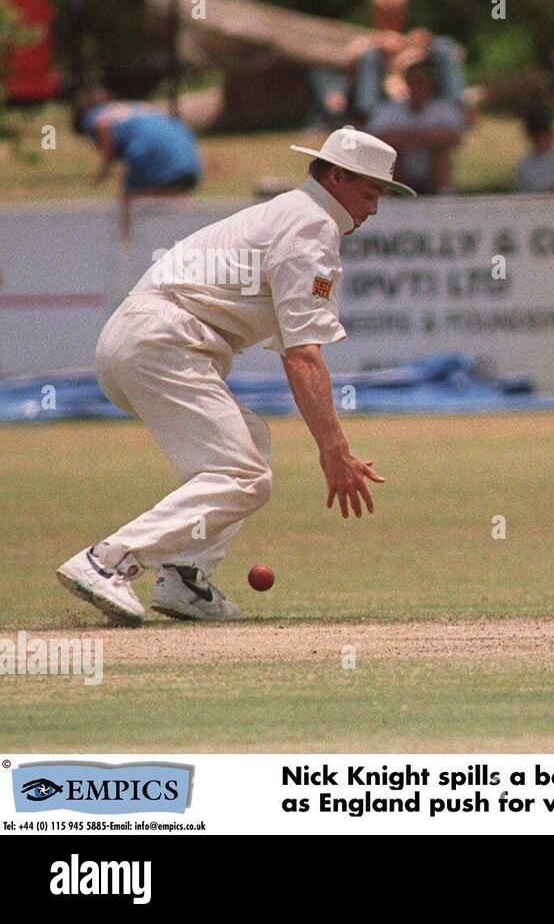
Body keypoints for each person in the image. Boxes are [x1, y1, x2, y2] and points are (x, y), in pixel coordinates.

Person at [55, 129, 414, 627]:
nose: (374, 209)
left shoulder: (290, 213)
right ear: (338, 177)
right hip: (163, 341)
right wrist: (333, 448)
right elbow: (302, 354)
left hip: (139, 341)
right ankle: (109, 560)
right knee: (244, 477)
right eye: (371, 193)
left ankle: (185, 577)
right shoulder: (311, 227)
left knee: (247, 441)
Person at [312, 0, 467, 126]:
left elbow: (458, 54)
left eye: (395, 13)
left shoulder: (414, 40)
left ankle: (454, 109)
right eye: (384, 14)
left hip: (411, 95)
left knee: (443, 45)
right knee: (369, 56)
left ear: (404, 14)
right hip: (374, 100)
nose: (390, 19)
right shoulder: (365, 42)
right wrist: (379, 45)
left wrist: (422, 47)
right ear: (373, 14)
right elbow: (341, 63)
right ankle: (370, 116)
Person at [73, 87, 202, 232]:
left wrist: (102, 173)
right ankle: (187, 221)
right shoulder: (130, 108)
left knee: (129, 199)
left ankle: (125, 245)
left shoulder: (94, 115)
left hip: (153, 150)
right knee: (172, 192)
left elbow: (101, 126)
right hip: (189, 156)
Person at [367, 60, 467, 195]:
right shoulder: (390, 109)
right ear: (407, 83)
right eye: (415, 81)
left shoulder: (445, 108)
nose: (419, 85)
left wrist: (408, 137)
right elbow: (375, 138)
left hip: (431, 171)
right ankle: (396, 193)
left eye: (423, 81)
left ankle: (443, 193)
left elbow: (454, 137)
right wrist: (425, 136)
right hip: (402, 170)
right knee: (393, 152)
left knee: (442, 152)